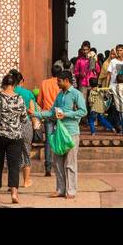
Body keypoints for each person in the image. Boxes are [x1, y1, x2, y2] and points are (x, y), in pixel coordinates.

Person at [34, 70, 86, 200]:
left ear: (66, 81)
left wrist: (66, 114)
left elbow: (83, 111)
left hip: (72, 132)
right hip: (59, 132)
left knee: (70, 163)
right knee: (57, 162)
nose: (57, 83)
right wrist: (36, 114)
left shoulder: (76, 94)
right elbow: (51, 112)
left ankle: (71, 190)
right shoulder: (59, 95)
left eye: (59, 81)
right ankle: (60, 189)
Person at [0, 71, 30, 205]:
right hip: (16, 136)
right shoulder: (19, 98)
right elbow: (23, 118)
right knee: (14, 166)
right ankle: (14, 194)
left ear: (3, 84)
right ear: (14, 85)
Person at [10, 69, 38, 189]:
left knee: (11, 154)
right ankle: (26, 181)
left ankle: (12, 184)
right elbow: (33, 112)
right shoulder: (28, 93)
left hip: (11, 125)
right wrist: (35, 124)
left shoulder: (8, 92)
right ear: (22, 81)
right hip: (25, 124)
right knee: (26, 152)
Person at [36, 66, 64, 176]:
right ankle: (60, 165)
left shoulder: (44, 83)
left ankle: (48, 167)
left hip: (48, 113)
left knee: (48, 140)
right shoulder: (61, 84)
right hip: (59, 113)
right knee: (61, 137)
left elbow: (39, 100)